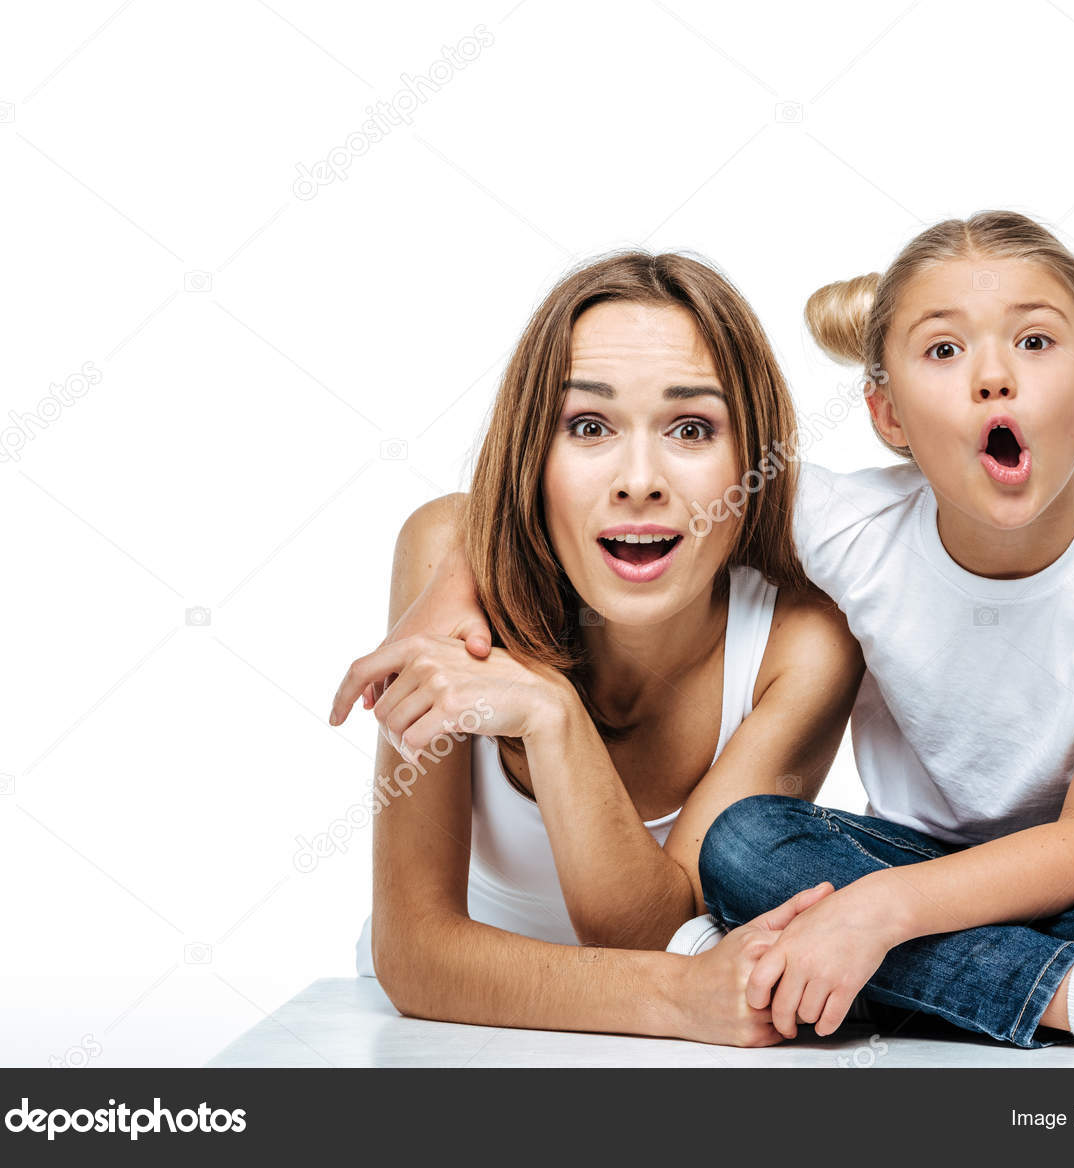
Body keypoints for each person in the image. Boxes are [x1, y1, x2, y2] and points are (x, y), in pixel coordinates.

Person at [386, 212, 1074, 1064]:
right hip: (910, 859)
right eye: (943, 349)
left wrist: (878, 914)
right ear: (886, 414)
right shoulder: (847, 526)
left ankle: (828, 975)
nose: (992, 378)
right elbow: (510, 504)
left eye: (1035, 341)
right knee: (748, 847)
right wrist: (448, 580)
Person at [328, 251, 864, 1047]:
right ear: (533, 456)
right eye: (588, 426)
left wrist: (553, 720)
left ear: (752, 461)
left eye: (691, 428)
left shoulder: (806, 645)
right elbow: (412, 952)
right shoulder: (446, 549)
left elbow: (662, 932)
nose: (639, 479)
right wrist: (682, 996)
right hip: (454, 1043)